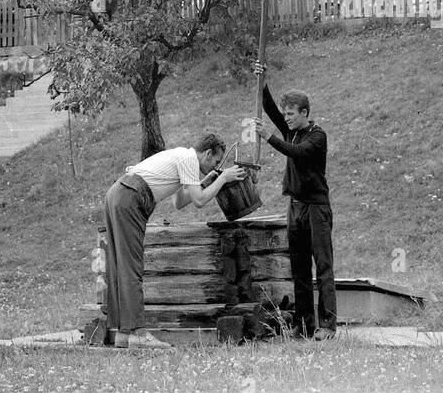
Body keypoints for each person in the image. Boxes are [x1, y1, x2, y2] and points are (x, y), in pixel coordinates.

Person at [101, 134, 247, 347]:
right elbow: (199, 200)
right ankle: (139, 334)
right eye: (215, 162)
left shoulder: (182, 156)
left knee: (121, 264)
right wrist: (224, 178)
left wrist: (206, 181)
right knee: (132, 266)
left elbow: (179, 201)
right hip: (130, 197)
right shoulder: (189, 159)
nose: (215, 166)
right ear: (208, 153)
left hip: (118, 193)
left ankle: (124, 333)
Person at [255, 63, 336, 339]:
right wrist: (262, 80)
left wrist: (268, 137)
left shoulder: (317, 137)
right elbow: (269, 109)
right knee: (300, 269)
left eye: (291, 114)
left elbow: (298, 152)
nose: (286, 119)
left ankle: (327, 326)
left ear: (304, 113)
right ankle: (304, 326)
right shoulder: (290, 128)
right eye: (286, 114)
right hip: (295, 208)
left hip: (316, 209)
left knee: (322, 267)